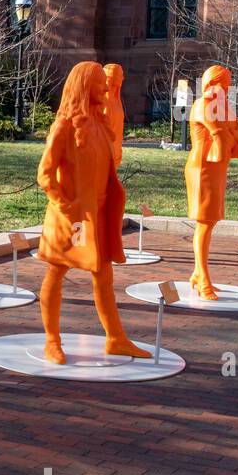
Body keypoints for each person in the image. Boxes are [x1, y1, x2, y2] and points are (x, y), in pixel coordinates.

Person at [36, 61, 150, 365]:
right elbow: (45, 173)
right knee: (58, 271)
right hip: (73, 219)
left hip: (98, 215)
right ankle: (52, 340)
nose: (106, 87)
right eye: (100, 83)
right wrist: (64, 204)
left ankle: (116, 339)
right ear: (85, 86)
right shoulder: (63, 126)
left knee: (103, 276)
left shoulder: (100, 126)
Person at [185, 65, 238, 299]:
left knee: (209, 223)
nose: (227, 90)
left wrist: (233, 132)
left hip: (217, 167)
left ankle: (198, 274)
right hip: (203, 168)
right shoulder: (204, 105)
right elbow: (223, 133)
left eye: (229, 86)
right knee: (204, 222)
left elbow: (236, 132)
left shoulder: (221, 106)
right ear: (211, 84)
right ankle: (203, 279)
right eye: (223, 85)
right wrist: (232, 132)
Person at [103, 63, 126, 169]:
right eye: (120, 75)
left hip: (115, 148)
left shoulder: (116, 99)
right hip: (105, 150)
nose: (123, 78)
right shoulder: (104, 100)